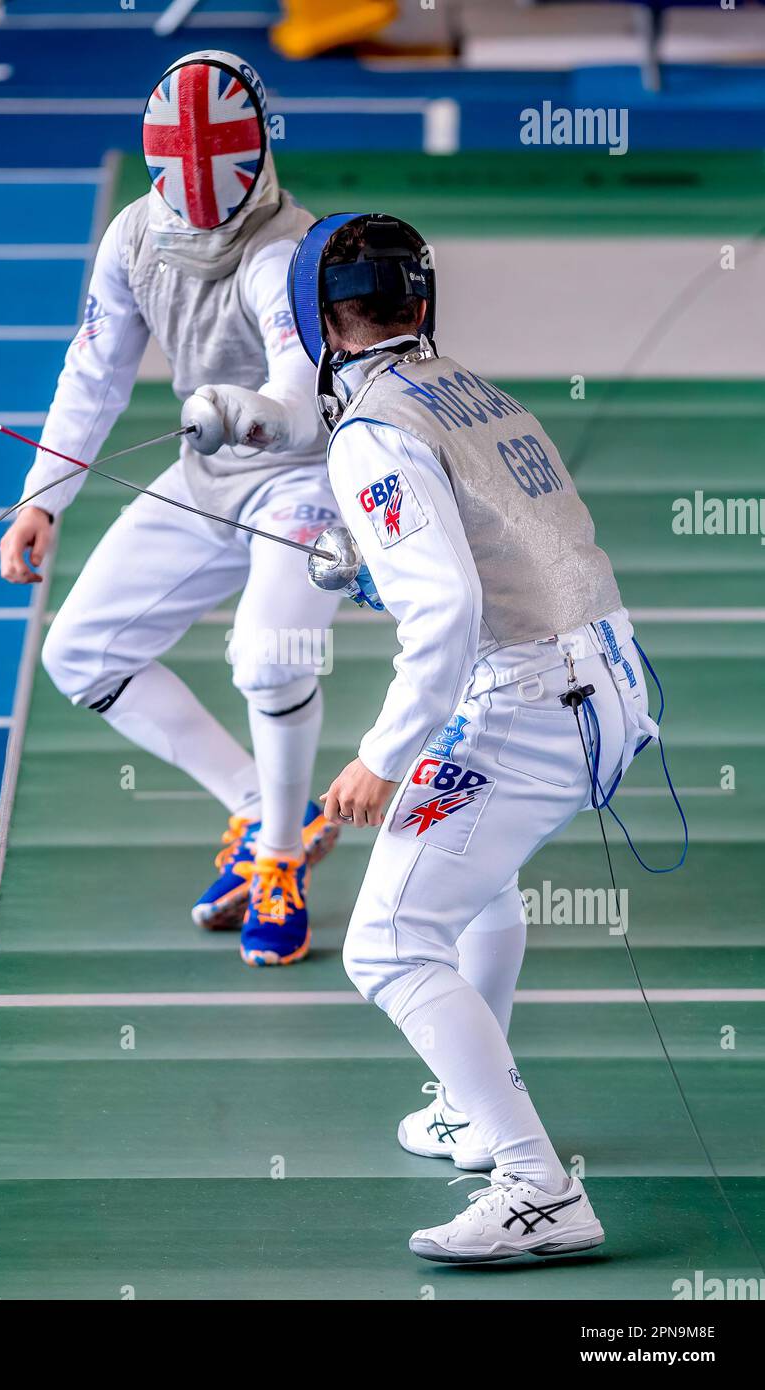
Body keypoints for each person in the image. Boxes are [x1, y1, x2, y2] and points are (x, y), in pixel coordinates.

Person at [288, 212, 658, 1261]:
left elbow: (446, 607)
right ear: (419, 301)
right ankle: (469, 1103)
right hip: (612, 678)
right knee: (470, 875)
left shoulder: (373, 430)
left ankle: (539, 1186)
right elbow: (504, 547)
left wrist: (381, 753)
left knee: (387, 941)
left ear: (321, 320)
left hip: (532, 701)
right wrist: (378, 568)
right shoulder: (469, 388)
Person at [0, 51, 341, 967]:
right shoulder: (133, 237)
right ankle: (266, 806)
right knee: (79, 654)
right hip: (206, 473)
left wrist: (246, 414)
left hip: (304, 483)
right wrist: (44, 498)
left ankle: (277, 859)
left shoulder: (285, 254)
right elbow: (96, 370)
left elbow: (299, 398)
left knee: (269, 661)